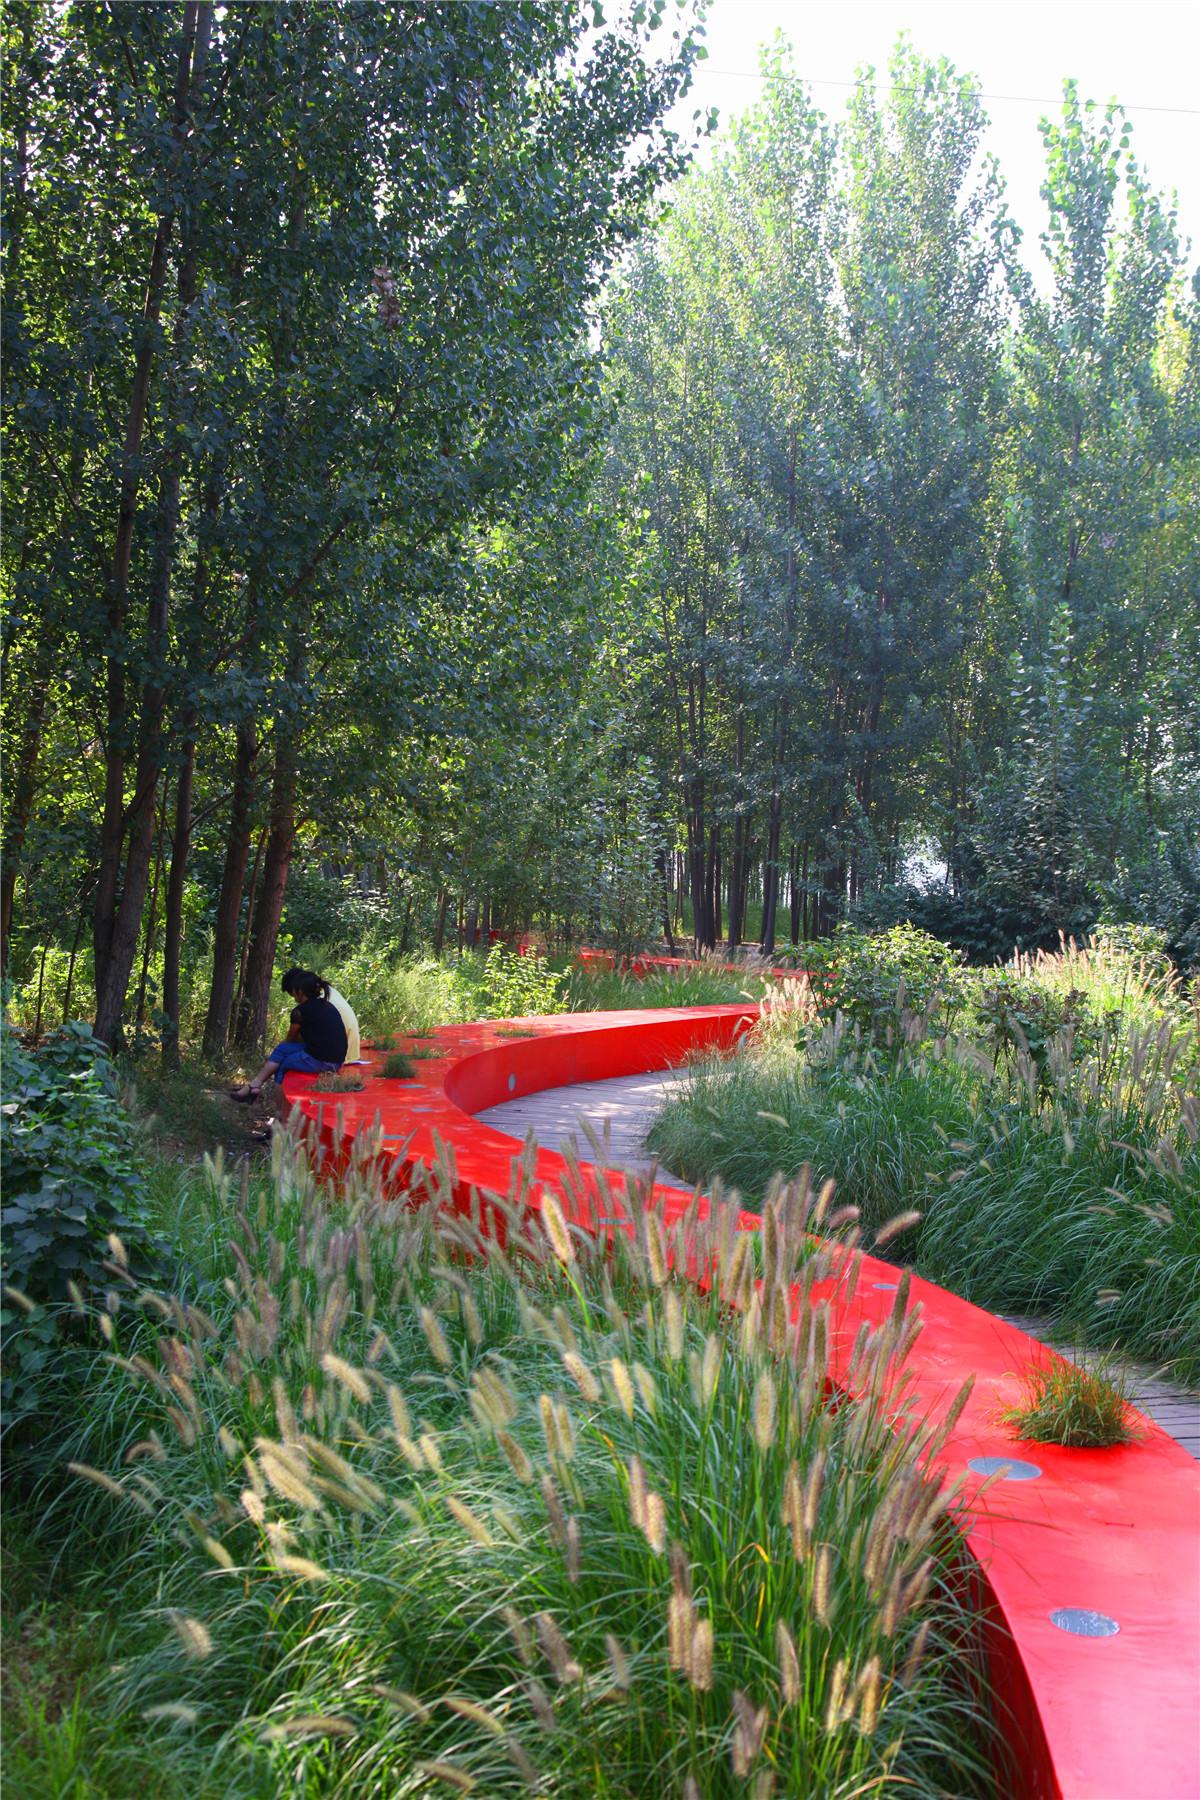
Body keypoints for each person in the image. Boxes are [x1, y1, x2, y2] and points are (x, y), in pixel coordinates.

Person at [229, 971, 348, 1102]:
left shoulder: (299, 1012)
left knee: (283, 1067)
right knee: (283, 1049)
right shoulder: (326, 1005)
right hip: (337, 1059)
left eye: (293, 990)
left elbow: (291, 1038)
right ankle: (255, 1085)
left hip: (322, 1061)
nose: (292, 994)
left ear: (300, 992)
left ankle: (281, 1113)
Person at [282, 966, 361, 1062]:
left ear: (299, 990)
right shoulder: (325, 991)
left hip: (336, 1054)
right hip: (350, 1050)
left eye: (293, 994)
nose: (295, 999)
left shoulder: (315, 1001)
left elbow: (296, 1037)